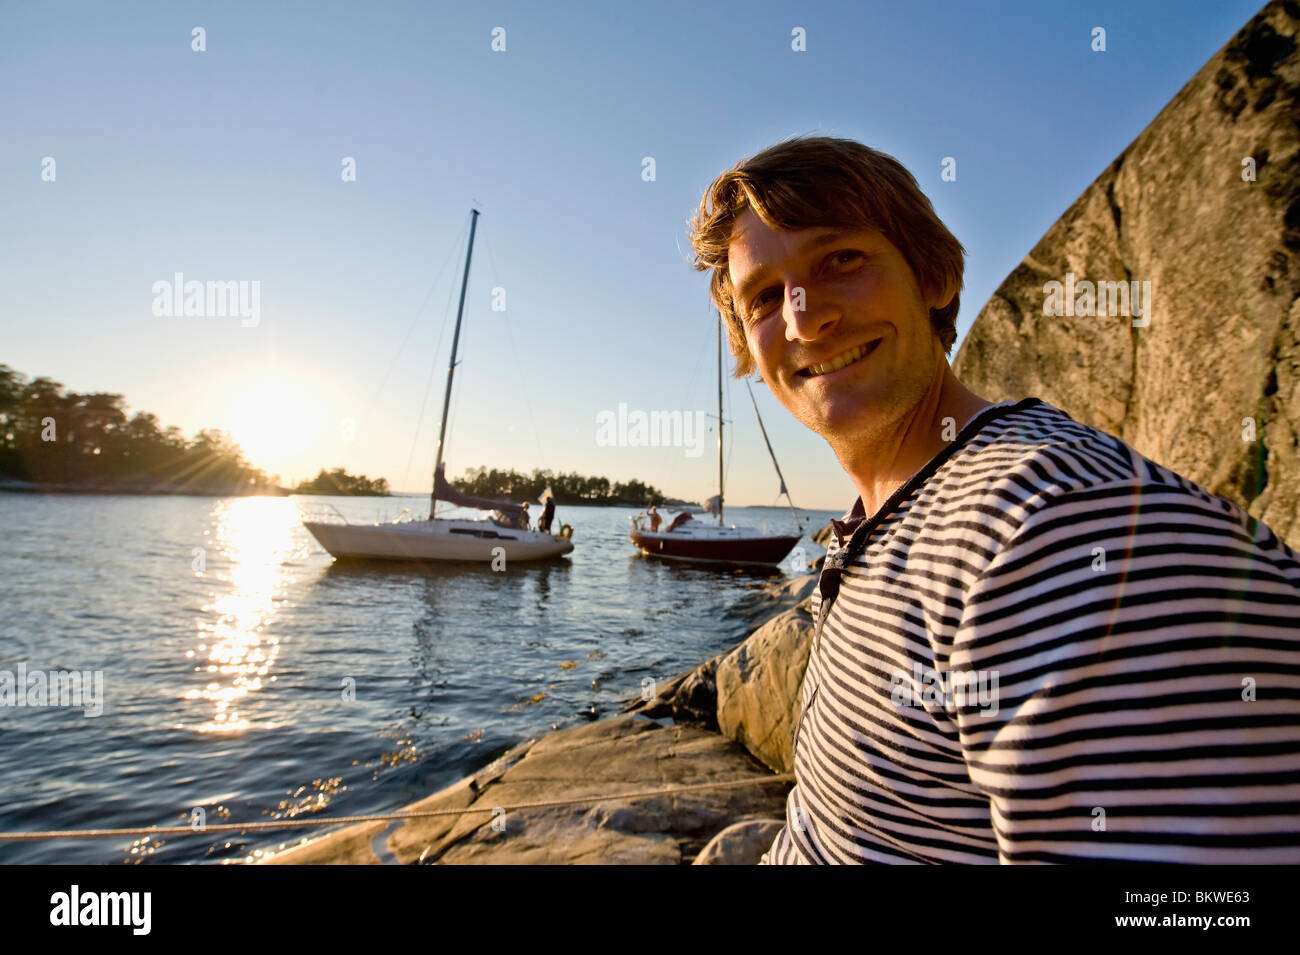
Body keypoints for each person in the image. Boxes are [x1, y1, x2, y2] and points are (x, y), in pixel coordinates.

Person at [688, 135, 1300, 864]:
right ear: (746, 351)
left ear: (934, 275)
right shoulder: (888, 522)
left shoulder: (1054, 527)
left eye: (839, 259)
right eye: (763, 296)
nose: (803, 317)